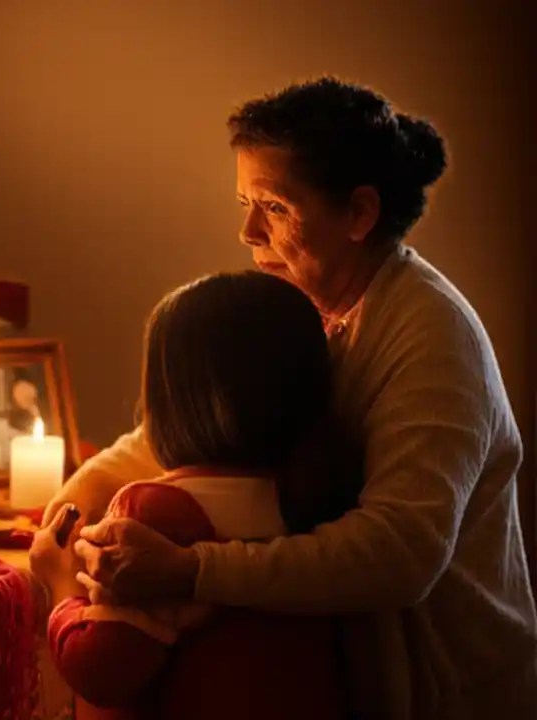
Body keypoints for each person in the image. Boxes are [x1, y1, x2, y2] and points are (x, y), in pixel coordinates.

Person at [48, 77, 537, 718]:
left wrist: (191, 570)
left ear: (360, 214)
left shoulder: (432, 335)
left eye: (275, 207)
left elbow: (400, 552)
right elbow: (193, 428)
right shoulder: (304, 309)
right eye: (245, 202)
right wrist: (64, 516)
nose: (248, 232)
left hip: (447, 689)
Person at [32, 271, 355, 719]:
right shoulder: (320, 496)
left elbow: (104, 670)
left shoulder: (150, 513)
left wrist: (60, 585)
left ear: (170, 402)